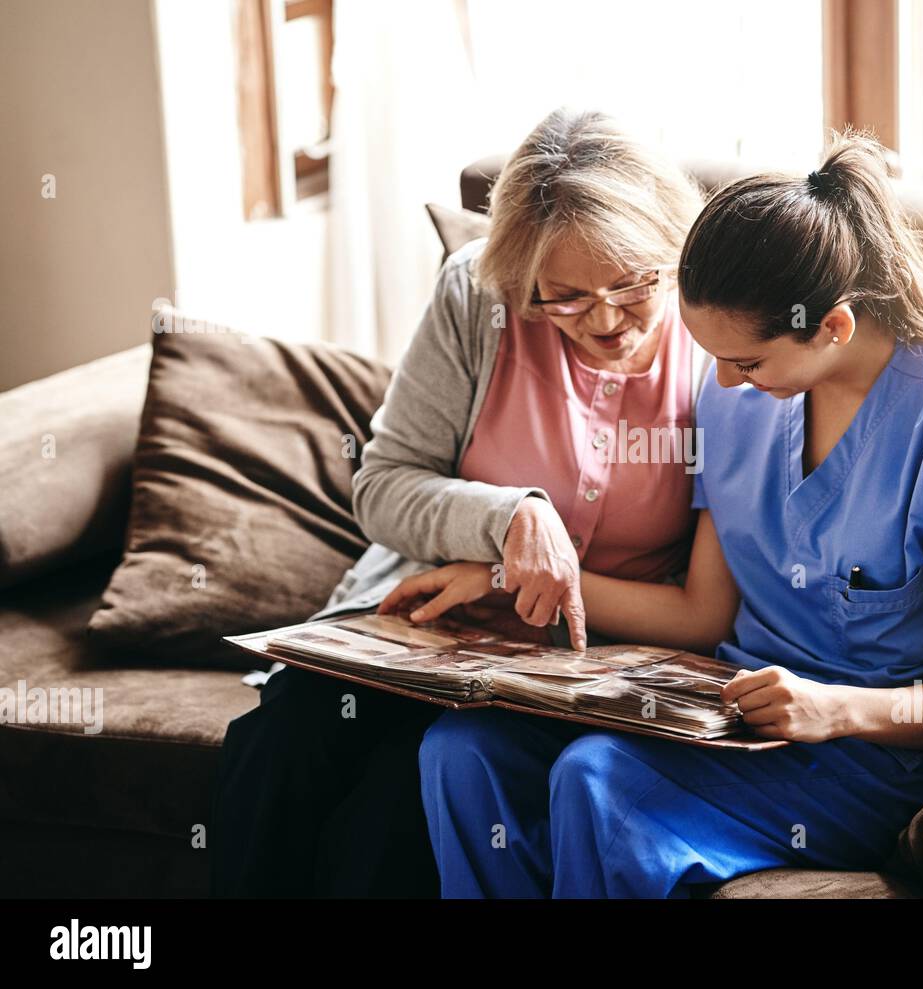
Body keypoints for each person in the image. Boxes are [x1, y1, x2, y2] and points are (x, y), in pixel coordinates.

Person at [392, 132, 923, 898]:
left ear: (833, 327)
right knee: (464, 748)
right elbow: (700, 611)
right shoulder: (734, 396)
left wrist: (830, 707)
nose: (718, 381)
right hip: (721, 710)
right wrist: (500, 575)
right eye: (713, 357)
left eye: (746, 361)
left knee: (597, 777)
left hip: (866, 754)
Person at [209, 108, 707, 896]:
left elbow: (711, 603)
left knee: (389, 814)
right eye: (566, 299)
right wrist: (509, 516)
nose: (606, 320)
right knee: (285, 739)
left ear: (672, 250)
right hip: (427, 635)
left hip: (578, 665)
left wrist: (513, 578)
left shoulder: (720, 337)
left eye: (631, 284)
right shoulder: (479, 298)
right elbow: (383, 484)